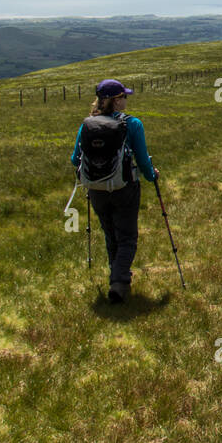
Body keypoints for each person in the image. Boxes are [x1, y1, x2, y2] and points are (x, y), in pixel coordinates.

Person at [70, 79, 158, 303]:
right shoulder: (133, 124)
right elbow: (141, 158)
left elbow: (74, 159)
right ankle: (118, 281)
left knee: (110, 233)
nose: (126, 100)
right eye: (124, 96)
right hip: (125, 187)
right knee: (127, 236)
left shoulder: (88, 125)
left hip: (96, 189)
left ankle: (117, 276)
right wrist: (151, 175)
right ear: (116, 100)